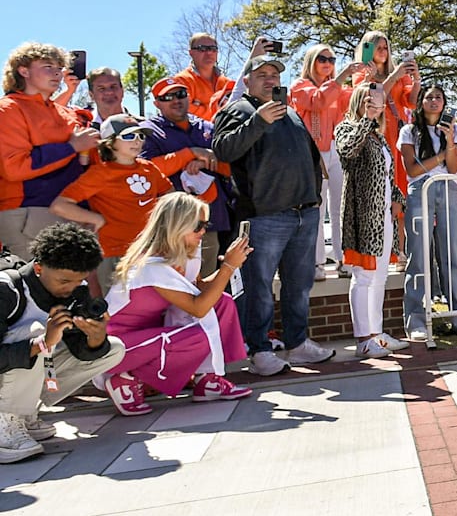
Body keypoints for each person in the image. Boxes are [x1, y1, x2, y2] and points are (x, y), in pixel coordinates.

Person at [212, 54, 332, 376]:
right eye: (261, 74)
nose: (269, 79)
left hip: (303, 215)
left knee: (298, 284)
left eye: (274, 74)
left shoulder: (291, 113)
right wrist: (258, 121)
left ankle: (297, 343)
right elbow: (223, 150)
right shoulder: (237, 110)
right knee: (260, 287)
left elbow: (310, 157)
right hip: (264, 217)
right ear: (247, 81)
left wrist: (314, 199)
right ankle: (260, 349)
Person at [102, 194, 252, 415]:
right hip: (116, 346)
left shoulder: (183, 255)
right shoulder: (150, 266)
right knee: (201, 333)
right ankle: (125, 378)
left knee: (221, 302)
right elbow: (198, 307)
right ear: (177, 225)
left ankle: (206, 379)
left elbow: (199, 289)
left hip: (149, 335)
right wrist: (228, 266)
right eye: (198, 226)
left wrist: (228, 268)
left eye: (206, 225)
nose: (203, 231)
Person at [0, 223, 125, 463]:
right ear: (38, 268)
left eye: (78, 281)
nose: (71, 289)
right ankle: (6, 425)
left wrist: (95, 338)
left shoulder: (76, 290)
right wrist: (43, 342)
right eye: (64, 281)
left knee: (113, 348)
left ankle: (25, 412)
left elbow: (80, 352)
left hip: (25, 374)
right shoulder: (7, 289)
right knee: (35, 333)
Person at [50, 115, 179, 291]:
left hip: (152, 251)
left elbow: (171, 197)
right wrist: (96, 219)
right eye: (128, 136)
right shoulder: (100, 174)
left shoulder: (149, 168)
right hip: (116, 253)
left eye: (141, 135)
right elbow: (60, 205)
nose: (137, 141)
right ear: (109, 143)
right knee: (118, 312)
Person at [0, 43, 97, 258]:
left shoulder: (61, 111)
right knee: (36, 288)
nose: (57, 72)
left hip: (71, 211)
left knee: (74, 289)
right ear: (23, 71)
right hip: (29, 210)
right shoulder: (8, 108)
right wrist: (72, 147)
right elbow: (15, 167)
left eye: (59, 67)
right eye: (47, 66)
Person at [334, 84, 409, 358]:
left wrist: (399, 197)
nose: (376, 107)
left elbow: (387, 176)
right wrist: (366, 118)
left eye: (378, 104)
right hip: (363, 215)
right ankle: (363, 339)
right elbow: (348, 149)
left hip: (384, 217)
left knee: (379, 277)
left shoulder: (378, 136)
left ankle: (377, 334)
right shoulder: (347, 128)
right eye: (370, 102)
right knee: (364, 276)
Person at [399, 85, 457, 339]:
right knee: (419, 254)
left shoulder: (456, 129)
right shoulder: (409, 131)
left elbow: (452, 169)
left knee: (453, 253)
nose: (433, 101)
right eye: (428, 97)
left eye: (438, 97)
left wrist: (450, 140)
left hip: (448, 188)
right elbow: (412, 169)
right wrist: (442, 155)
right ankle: (416, 319)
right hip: (420, 189)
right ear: (420, 103)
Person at [141, 78, 231, 277]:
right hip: (172, 226)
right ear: (156, 103)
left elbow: (231, 166)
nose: (176, 100)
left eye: (180, 94)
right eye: (167, 97)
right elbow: (147, 170)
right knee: (172, 285)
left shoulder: (207, 127)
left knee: (205, 283)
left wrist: (206, 160)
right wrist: (190, 153)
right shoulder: (149, 130)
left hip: (209, 220)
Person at [292, 44, 365, 281]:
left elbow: (354, 102)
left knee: (341, 208)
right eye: (322, 59)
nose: (328, 63)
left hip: (336, 150)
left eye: (332, 59)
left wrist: (364, 78)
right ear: (311, 61)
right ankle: (316, 264)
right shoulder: (299, 86)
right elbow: (317, 101)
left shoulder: (338, 88)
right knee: (316, 208)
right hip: (310, 151)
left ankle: (345, 258)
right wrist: (342, 77)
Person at [353, 31, 419, 194]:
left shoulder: (398, 73)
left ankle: (402, 217)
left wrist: (416, 79)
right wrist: (393, 77)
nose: (383, 52)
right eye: (378, 48)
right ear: (368, 50)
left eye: (385, 48)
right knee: (383, 176)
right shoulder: (361, 74)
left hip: (397, 130)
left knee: (401, 177)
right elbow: (374, 99)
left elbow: (411, 102)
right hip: (377, 130)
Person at [171, 33, 235, 122]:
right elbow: (185, 113)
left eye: (213, 49)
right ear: (191, 53)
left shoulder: (227, 83)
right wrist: (219, 113)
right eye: (202, 49)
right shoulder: (181, 81)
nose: (209, 52)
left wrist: (200, 108)